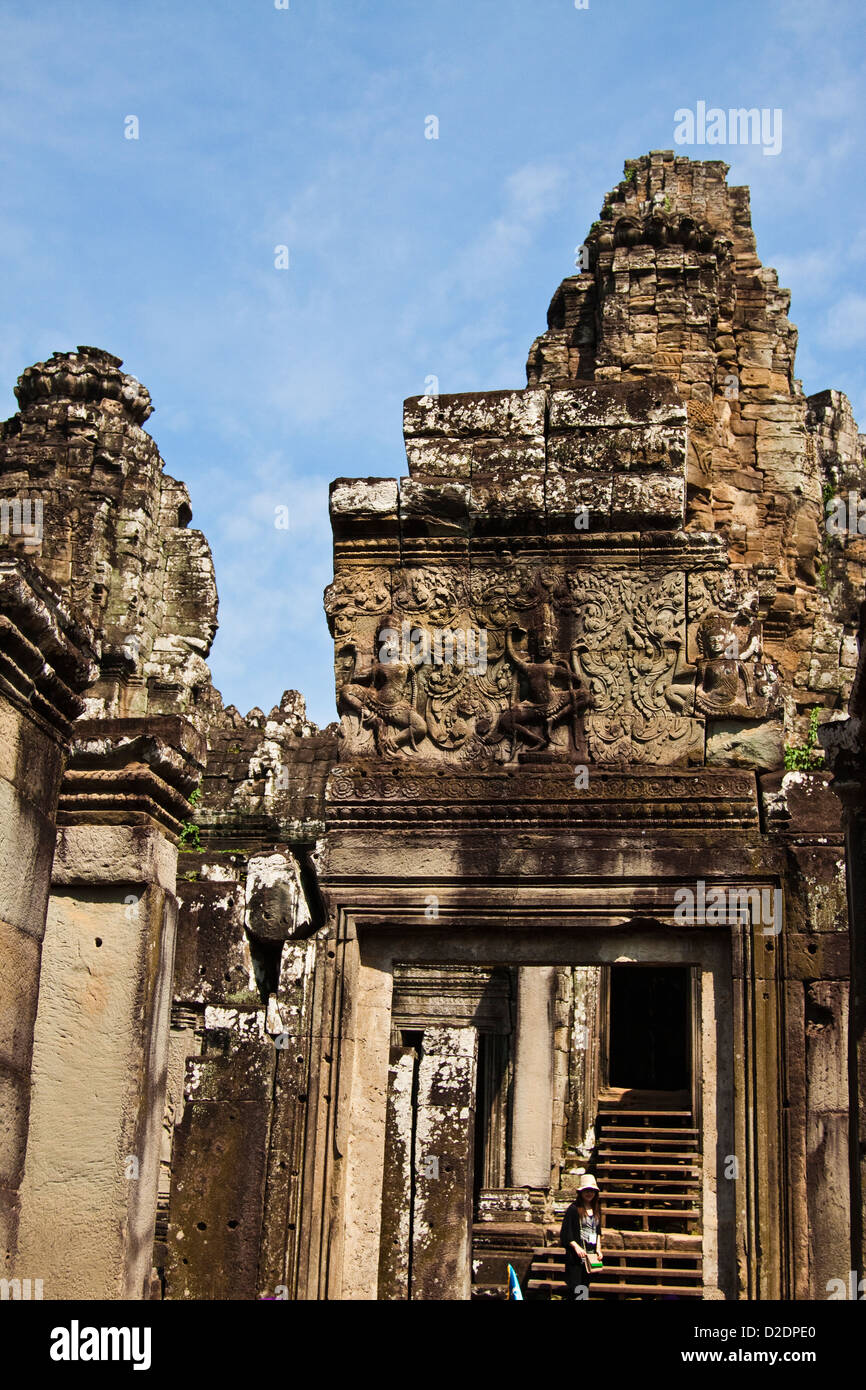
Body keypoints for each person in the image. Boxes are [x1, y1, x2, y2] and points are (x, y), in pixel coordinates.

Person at [559, 1174, 603, 1300]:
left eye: (592, 1191)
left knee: (585, 1283)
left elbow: (598, 1231)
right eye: (586, 1191)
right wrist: (576, 1247)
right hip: (577, 1254)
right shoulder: (573, 1209)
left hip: (591, 1252)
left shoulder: (596, 1209)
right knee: (576, 1284)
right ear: (581, 1192)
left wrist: (599, 1249)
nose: (589, 1193)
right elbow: (566, 1232)